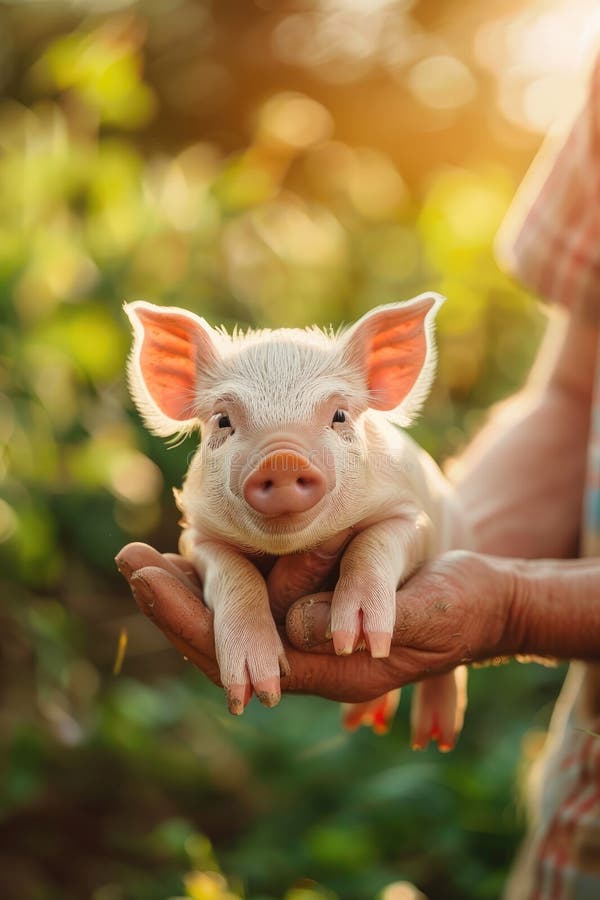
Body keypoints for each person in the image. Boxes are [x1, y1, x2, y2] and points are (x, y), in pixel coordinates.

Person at [116, 55, 600, 899]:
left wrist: (500, 610)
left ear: (384, 378)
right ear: (177, 387)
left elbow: (408, 517)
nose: (281, 467)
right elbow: (573, 395)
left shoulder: (382, 474)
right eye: (225, 423)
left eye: (335, 420)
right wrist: (238, 596)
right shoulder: (222, 487)